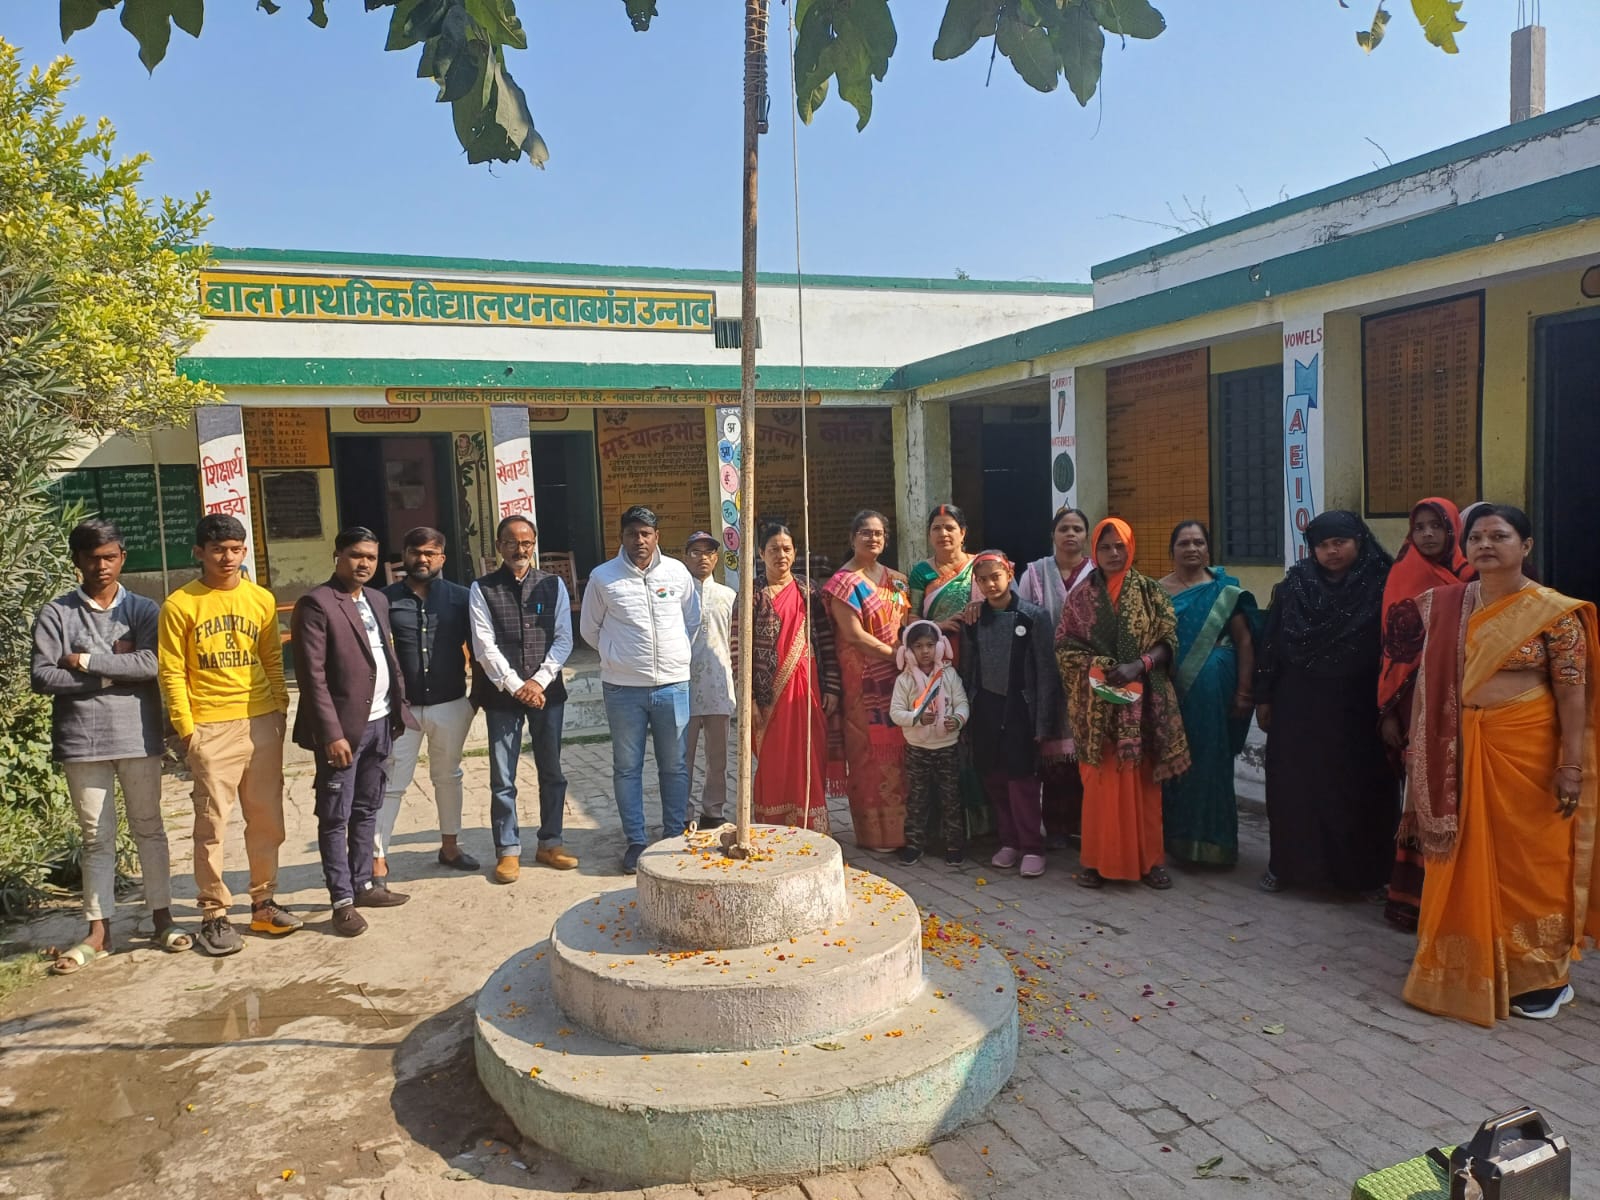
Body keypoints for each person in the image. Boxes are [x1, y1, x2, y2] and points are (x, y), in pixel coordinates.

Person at [1400, 504, 1600, 1025]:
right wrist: (1418, 746)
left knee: (1531, 862)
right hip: (1458, 744)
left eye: (1500, 535)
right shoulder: (1446, 606)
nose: (1486, 545)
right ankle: (1466, 961)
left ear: (1525, 546)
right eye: (1477, 537)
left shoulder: (1554, 612)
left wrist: (1571, 765)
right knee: (1462, 854)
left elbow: (1573, 693)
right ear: (1465, 549)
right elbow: (1428, 681)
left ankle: (1540, 976)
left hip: (1529, 750)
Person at [32, 519, 186, 973]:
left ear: (122, 557)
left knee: (150, 828)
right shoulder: (56, 613)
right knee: (96, 838)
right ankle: (99, 933)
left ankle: (163, 917)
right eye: (92, 558)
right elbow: (44, 676)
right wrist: (110, 673)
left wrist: (83, 663)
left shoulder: (142, 609)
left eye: (110, 556)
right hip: (82, 741)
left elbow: (151, 662)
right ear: (77, 560)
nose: (102, 566)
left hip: (138, 736)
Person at [158, 513, 299, 957]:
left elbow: (272, 656)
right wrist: (187, 729)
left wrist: (280, 706)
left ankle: (263, 901)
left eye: (236, 549)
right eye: (218, 549)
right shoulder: (181, 604)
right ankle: (214, 913)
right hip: (209, 725)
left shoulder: (259, 599)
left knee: (267, 817)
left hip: (261, 720)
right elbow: (171, 670)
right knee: (212, 823)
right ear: (200, 552)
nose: (227, 558)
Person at [1254, 510, 1396, 897]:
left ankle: (1361, 876)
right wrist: (1263, 696)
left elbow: (1395, 651)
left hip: (1358, 707)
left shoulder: (1384, 584)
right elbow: (1271, 643)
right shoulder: (1295, 585)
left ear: (1359, 541)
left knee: (1355, 787)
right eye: (1322, 545)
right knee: (1295, 788)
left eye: (1340, 543)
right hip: (1298, 704)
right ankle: (1289, 868)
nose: (1331, 552)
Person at [291, 527, 414, 936]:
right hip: (343, 732)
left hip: (379, 722)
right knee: (335, 815)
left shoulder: (378, 598)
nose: (364, 564)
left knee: (368, 807)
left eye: (371, 558)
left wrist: (397, 711)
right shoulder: (317, 603)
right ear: (338, 555)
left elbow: (385, 658)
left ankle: (364, 884)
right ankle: (341, 899)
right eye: (356, 555)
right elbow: (312, 677)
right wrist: (331, 733)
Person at [1057, 517, 1189, 890]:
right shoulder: (1080, 597)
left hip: (1144, 704)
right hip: (1097, 709)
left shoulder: (1150, 591)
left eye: (1120, 546)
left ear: (1131, 547)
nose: (1114, 554)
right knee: (1100, 787)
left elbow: (1169, 641)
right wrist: (1100, 668)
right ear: (1094, 552)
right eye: (1106, 547)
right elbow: (1065, 646)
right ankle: (1097, 862)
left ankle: (1150, 861)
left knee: (1144, 787)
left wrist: (1138, 665)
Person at [581, 504, 701, 874]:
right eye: (632, 533)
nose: (639, 540)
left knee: (675, 765)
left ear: (657, 537)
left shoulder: (677, 572)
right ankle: (635, 841)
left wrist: (675, 658)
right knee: (627, 767)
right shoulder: (604, 578)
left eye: (646, 533)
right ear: (623, 537)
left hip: (672, 686)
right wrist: (619, 659)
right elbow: (589, 628)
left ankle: (672, 836)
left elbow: (692, 620)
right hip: (623, 689)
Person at [1376, 498, 1472, 930]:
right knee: (1423, 792)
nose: (1429, 534)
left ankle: (1462, 898)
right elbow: (1392, 652)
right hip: (1416, 704)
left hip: (1471, 704)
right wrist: (1391, 714)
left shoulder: (1479, 579)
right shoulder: (1403, 574)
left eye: (1438, 526)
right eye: (1420, 527)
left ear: (1454, 531)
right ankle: (1413, 901)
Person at [470, 515, 577, 884]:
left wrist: (539, 681)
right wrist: (517, 685)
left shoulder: (553, 584)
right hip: (503, 695)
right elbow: (484, 646)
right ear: (499, 546)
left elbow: (563, 638)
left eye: (527, 543)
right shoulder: (482, 588)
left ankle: (550, 842)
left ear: (534, 545)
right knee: (503, 776)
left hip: (547, 692)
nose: (521, 549)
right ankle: (508, 850)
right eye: (513, 543)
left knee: (552, 771)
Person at [376, 527, 479, 878]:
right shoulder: (382, 600)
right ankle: (376, 858)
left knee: (448, 776)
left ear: (442, 558)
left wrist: (474, 700)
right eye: (415, 552)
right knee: (391, 782)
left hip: (450, 702)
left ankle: (451, 846)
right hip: (401, 708)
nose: (422, 559)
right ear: (404, 555)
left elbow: (480, 650)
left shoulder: (462, 598)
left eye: (430, 553)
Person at [1157, 521, 1258, 868]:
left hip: (1213, 698)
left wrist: (1245, 692)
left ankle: (1215, 844)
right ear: (1172, 550)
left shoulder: (1225, 591)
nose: (1192, 549)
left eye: (1199, 542)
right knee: (1174, 765)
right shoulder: (1158, 591)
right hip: (1171, 698)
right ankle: (1177, 841)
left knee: (1210, 765)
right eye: (1184, 542)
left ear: (1208, 549)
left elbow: (1245, 641)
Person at [959, 554, 1057, 877]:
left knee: (1022, 781)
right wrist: (968, 709)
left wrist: (1043, 721)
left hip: (1020, 708)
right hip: (986, 706)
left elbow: (1045, 671)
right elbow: (968, 669)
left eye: (995, 576)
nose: (990, 584)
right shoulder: (974, 619)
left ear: (1010, 573)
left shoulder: (1033, 617)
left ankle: (1032, 845)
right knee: (995, 777)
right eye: (982, 579)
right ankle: (1009, 841)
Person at [824, 510, 911, 852]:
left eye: (878, 533)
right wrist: (897, 656)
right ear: (852, 538)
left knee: (902, 754)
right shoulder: (843, 584)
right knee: (868, 755)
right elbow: (855, 636)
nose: (872, 538)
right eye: (865, 533)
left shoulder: (899, 580)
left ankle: (906, 830)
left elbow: (908, 622)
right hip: (863, 682)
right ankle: (875, 834)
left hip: (902, 681)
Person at [750, 522, 841, 831]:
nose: (781, 555)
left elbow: (827, 641)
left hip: (807, 686)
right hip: (767, 695)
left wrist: (831, 686)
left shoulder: (808, 590)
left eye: (787, 549)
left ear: (796, 553)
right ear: (761, 553)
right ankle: (773, 828)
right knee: (774, 762)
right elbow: (739, 651)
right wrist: (748, 699)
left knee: (809, 757)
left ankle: (812, 826)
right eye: (773, 549)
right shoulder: (752, 594)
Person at [1018, 506, 1095, 847]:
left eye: (1077, 528)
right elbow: (1020, 621)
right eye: (1064, 528)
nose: (1070, 534)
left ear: (1086, 536)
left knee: (1084, 754)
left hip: (1088, 678)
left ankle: (1084, 825)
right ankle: (1057, 828)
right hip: (1045, 674)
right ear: (1053, 534)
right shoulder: (1035, 573)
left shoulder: (1097, 573)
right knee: (1051, 756)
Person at [889, 620, 969, 865]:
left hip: (947, 747)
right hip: (917, 749)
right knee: (917, 798)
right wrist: (917, 718)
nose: (925, 651)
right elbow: (896, 713)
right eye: (918, 646)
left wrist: (957, 719)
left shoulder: (949, 674)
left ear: (940, 646)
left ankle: (955, 845)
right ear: (908, 651)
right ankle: (914, 845)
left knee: (951, 797)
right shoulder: (904, 681)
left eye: (930, 645)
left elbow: (962, 702)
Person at [684, 531, 736, 828]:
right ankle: (682, 812)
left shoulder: (729, 597)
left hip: (719, 685)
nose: (702, 557)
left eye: (708, 552)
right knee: (683, 758)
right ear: (685, 556)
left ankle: (713, 811)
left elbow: (735, 643)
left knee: (718, 757)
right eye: (695, 552)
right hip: (684, 685)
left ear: (716, 557)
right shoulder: (677, 596)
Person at [908, 505, 976, 635]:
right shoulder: (921, 571)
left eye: (949, 528)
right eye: (936, 528)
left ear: (962, 533)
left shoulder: (978, 565)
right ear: (929, 535)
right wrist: (939, 626)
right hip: (935, 644)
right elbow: (912, 618)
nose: (943, 534)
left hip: (975, 641)